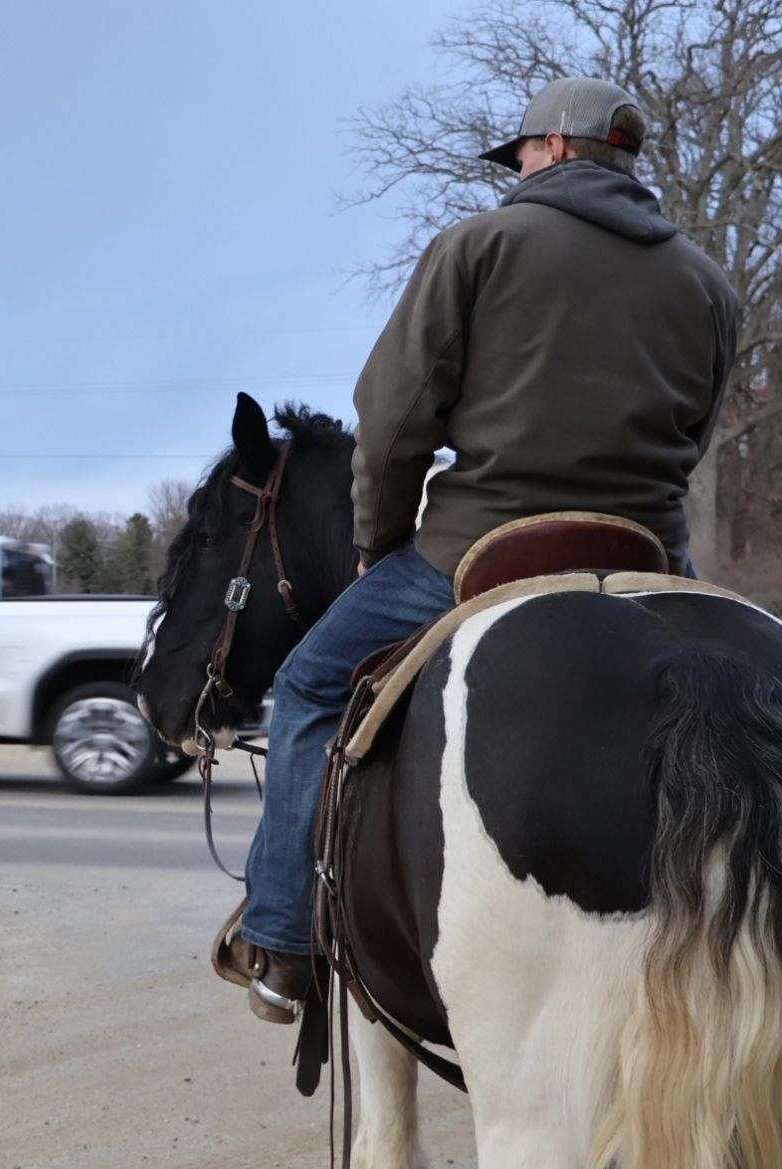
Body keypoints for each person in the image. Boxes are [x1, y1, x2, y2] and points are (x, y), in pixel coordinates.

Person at [230, 76, 739, 1023]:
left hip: (479, 543)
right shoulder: (708, 283)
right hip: (652, 550)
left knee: (304, 688)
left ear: (551, 149)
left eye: (523, 155)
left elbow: (392, 419)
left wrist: (382, 541)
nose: (519, 170)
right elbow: (698, 430)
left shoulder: (481, 245)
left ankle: (284, 936)